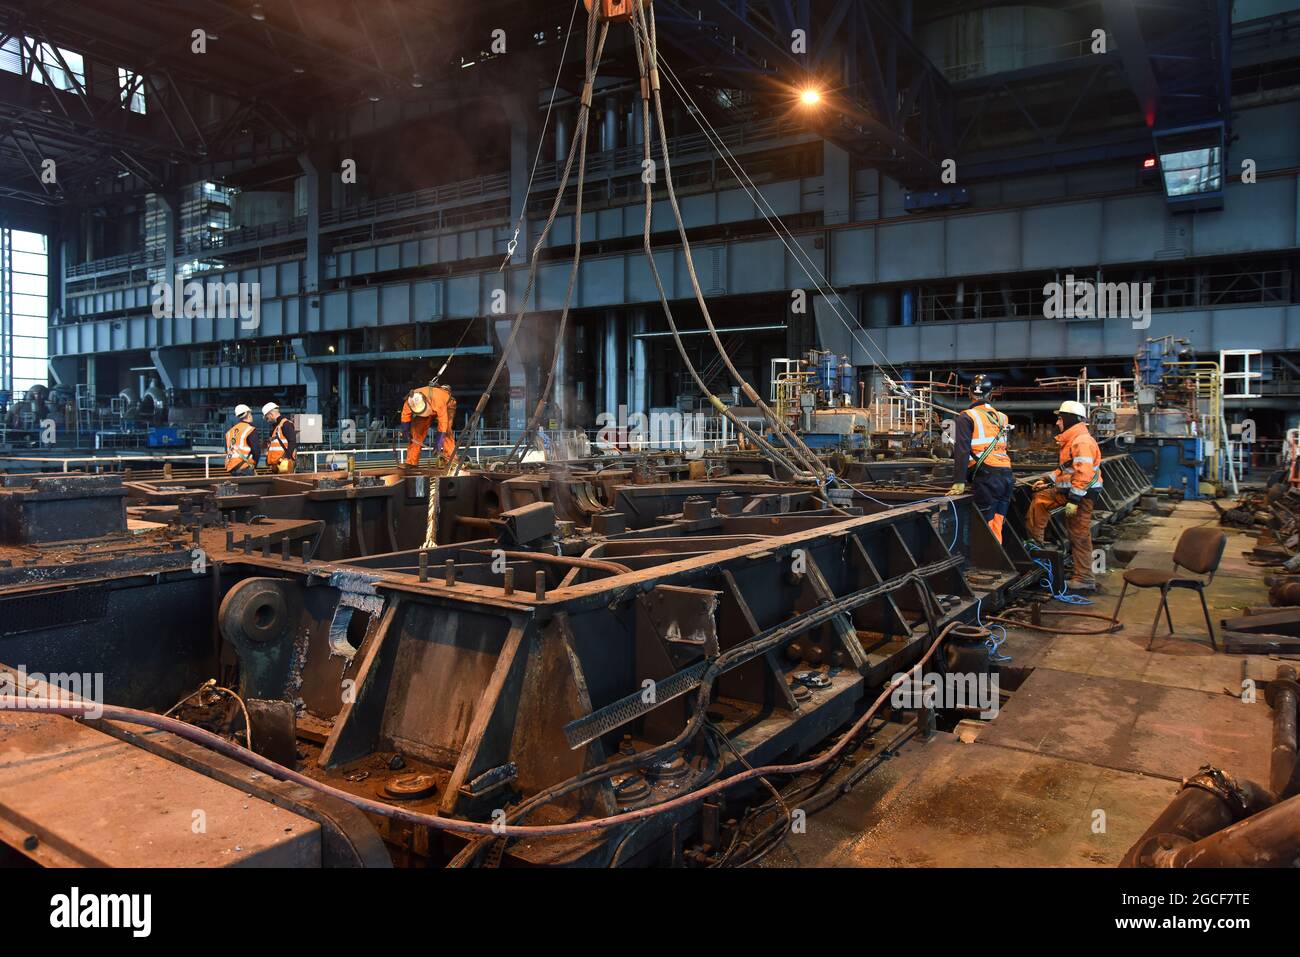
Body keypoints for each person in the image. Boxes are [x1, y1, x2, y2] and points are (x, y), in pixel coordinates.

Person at [1026, 400, 1103, 592]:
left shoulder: (1081, 441)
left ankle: (1084, 578)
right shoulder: (1073, 439)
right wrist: (1046, 480)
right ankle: (1037, 543)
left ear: (1070, 419)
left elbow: (1083, 473)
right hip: (1071, 492)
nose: (1058, 423)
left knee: (1079, 535)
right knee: (1041, 499)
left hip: (1081, 495)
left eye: (1060, 419)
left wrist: (1075, 500)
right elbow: (1066, 468)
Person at [946, 374, 1013, 543]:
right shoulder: (1002, 417)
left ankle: (991, 562)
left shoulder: (966, 417)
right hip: (1006, 476)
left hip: (987, 478)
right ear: (990, 394)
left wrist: (959, 481)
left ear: (970, 393)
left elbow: (961, 450)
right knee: (997, 524)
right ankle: (997, 558)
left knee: (985, 526)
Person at [400, 382, 457, 468]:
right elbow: (405, 415)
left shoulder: (439, 402)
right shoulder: (411, 400)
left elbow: (443, 425)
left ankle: (452, 461)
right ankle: (411, 462)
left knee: (447, 433)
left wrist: (438, 442)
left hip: (447, 405)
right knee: (416, 432)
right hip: (430, 405)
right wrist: (405, 430)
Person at [224, 404, 260, 475]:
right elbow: (256, 451)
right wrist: (253, 465)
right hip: (244, 467)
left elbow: (227, 449)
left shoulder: (229, 432)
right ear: (249, 415)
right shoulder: (250, 429)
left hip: (232, 467)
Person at [263, 402, 297, 474]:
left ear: (271, 414)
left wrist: (285, 459)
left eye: (267, 418)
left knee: (285, 485)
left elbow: (292, 442)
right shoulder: (276, 427)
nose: (267, 420)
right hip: (276, 465)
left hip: (284, 465)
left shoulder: (286, 424)